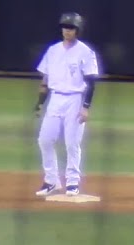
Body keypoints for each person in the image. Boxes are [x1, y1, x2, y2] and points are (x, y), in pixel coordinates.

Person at [33, 12, 100, 197]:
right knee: (45, 140)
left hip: (75, 99)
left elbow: (91, 82)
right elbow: (45, 80)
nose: (67, 31)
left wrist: (85, 106)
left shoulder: (85, 52)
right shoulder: (53, 51)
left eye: (71, 28)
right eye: (65, 27)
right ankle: (51, 181)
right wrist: (40, 103)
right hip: (55, 99)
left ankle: (72, 182)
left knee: (72, 143)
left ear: (77, 30)